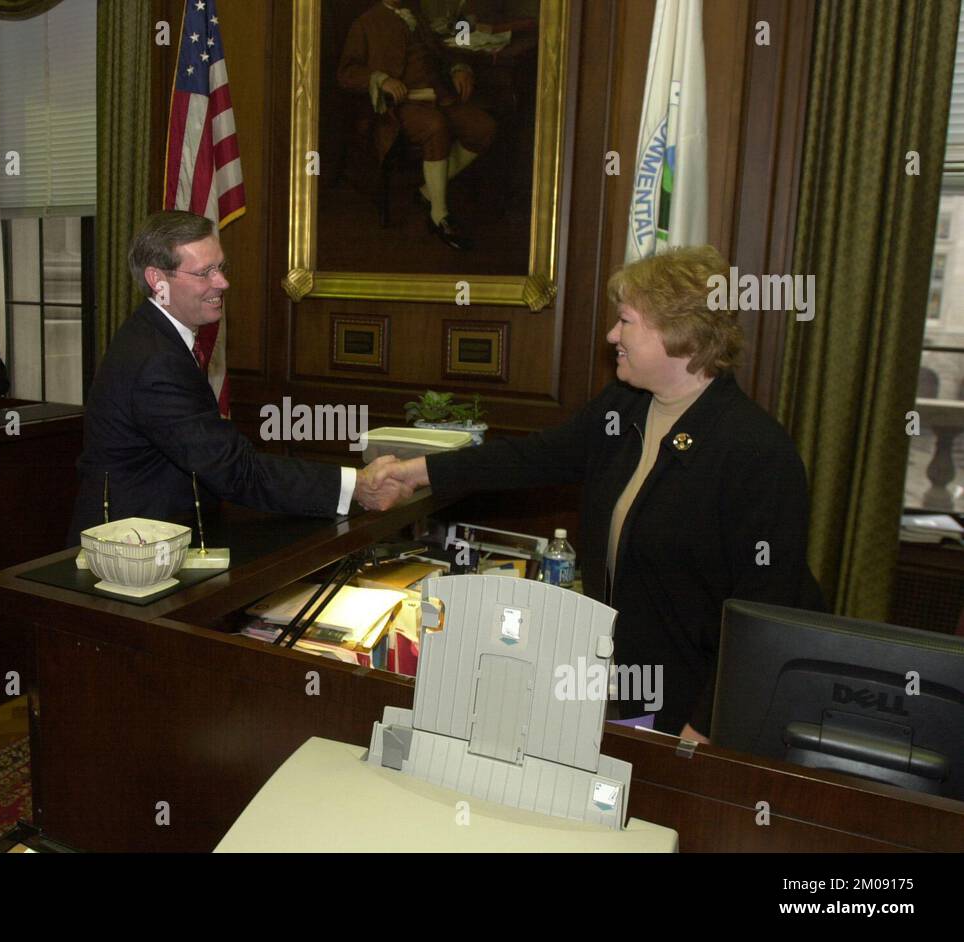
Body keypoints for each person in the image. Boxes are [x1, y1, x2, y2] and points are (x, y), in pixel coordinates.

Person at [367, 246, 827, 739]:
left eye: (626, 321)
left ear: (681, 334)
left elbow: (764, 610)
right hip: (628, 687)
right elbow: (534, 457)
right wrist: (418, 471)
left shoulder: (756, 452)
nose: (612, 335)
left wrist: (708, 724)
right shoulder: (625, 406)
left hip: (699, 710)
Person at [66, 211, 407, 545]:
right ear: (158, 281)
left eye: (221, 267)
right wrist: (355, 485)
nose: (223, 282)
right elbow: (234, 471)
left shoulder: (156, 337)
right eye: (205, 273)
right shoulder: (155, 360)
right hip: (126, 557)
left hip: (155, 541)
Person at [338, 0, 496, 250]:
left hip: (439, 97)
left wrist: (459, 66)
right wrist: (381, 79)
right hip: (400, 107)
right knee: (435, 127)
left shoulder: (416, 16)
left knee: (483, 127)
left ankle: (425, 191)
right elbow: (346, 73)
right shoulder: (365, 23)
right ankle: (439, 215)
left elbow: (440, 52)